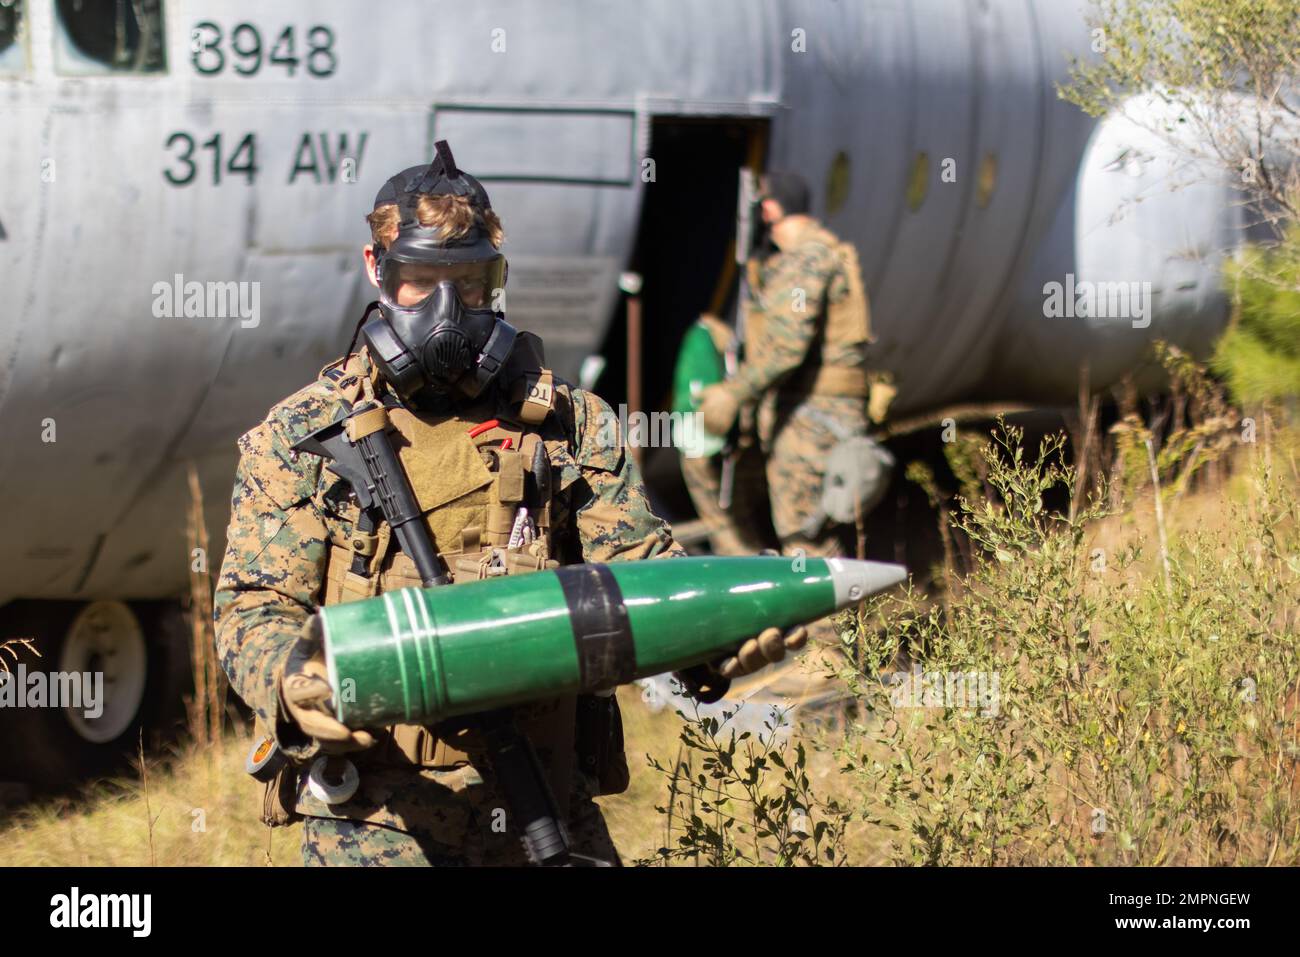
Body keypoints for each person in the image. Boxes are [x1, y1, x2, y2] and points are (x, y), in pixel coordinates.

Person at [213, 141, 804, 867]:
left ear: (496, 281)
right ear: (376, 269)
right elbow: (253, 604)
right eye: (419, 280)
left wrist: (710, 641)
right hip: (373, 819)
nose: (444, 309)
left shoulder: (569, 425)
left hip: (541, 809)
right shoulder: (305, 435)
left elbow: (645, 574)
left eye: (467, 284)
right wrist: (290, 679)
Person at [698, 171, 892, 661]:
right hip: (824, 413)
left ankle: (828, 663)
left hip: (813, 415)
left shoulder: (807, 258)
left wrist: (733, 393)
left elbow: (787, 346)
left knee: (805, 538)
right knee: (811, 534)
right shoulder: (825, 251)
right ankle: (836, 655)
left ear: (770, 211)